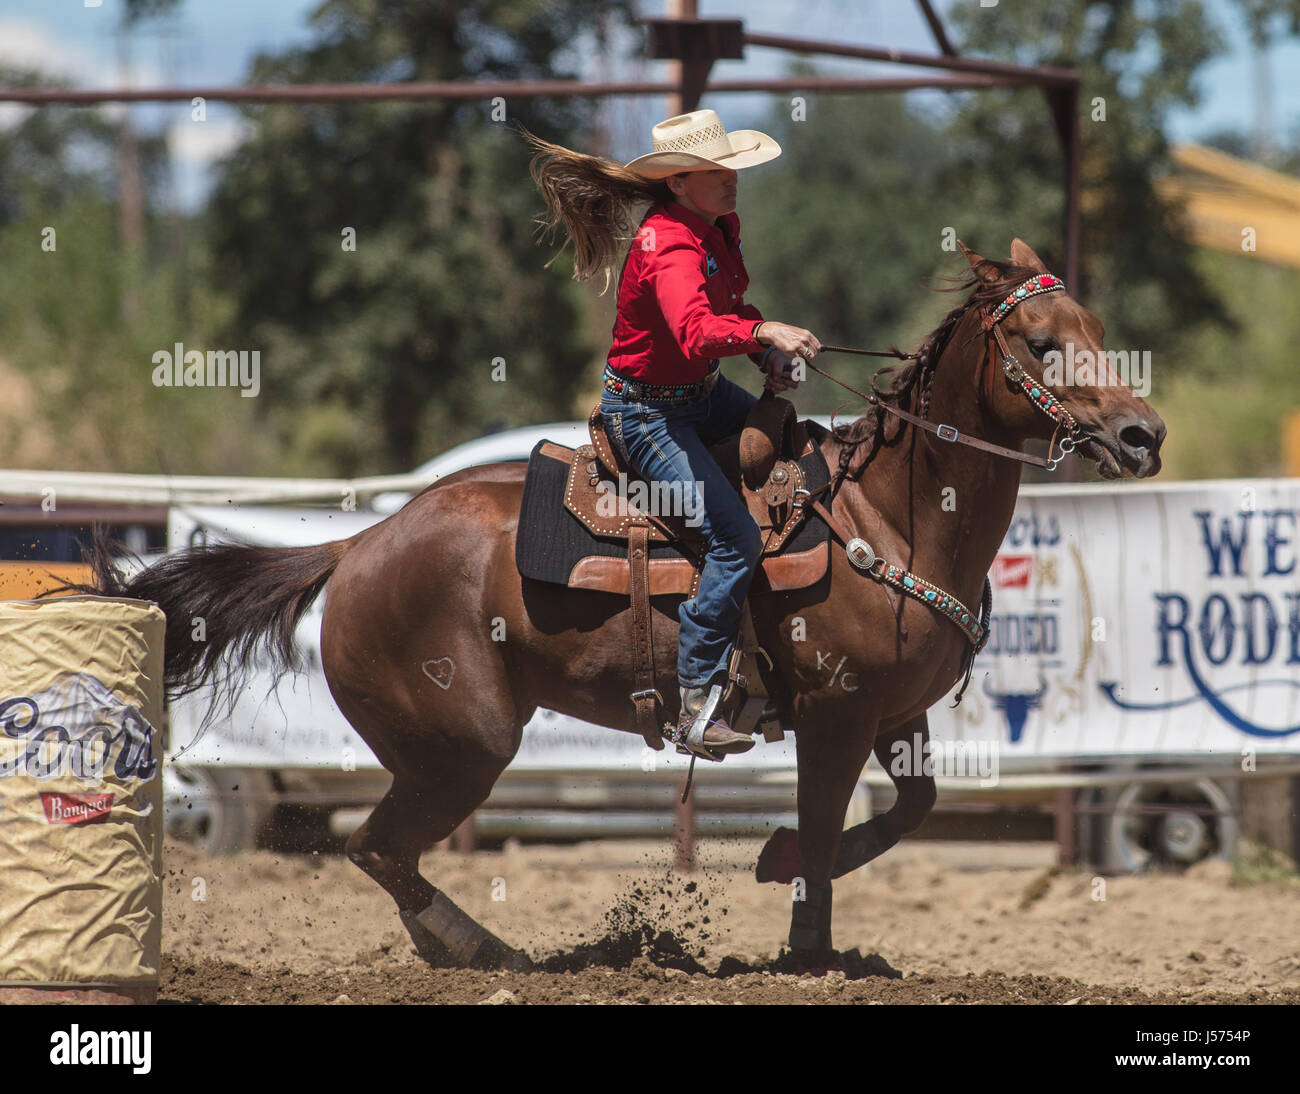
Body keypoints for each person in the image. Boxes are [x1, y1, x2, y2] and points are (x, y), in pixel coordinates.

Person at [527, 108, 822, 761]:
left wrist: (758, 345)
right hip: (646, 415)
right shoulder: (668, 242)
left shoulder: (713, 227)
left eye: (731, 168)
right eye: (717, 170)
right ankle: (696, 702)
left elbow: (728, 314)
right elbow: (694, 331)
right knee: (733, 536)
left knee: (800, 451)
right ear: (682, 181)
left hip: (700, 395)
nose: (731, 179)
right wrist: (765, 334)